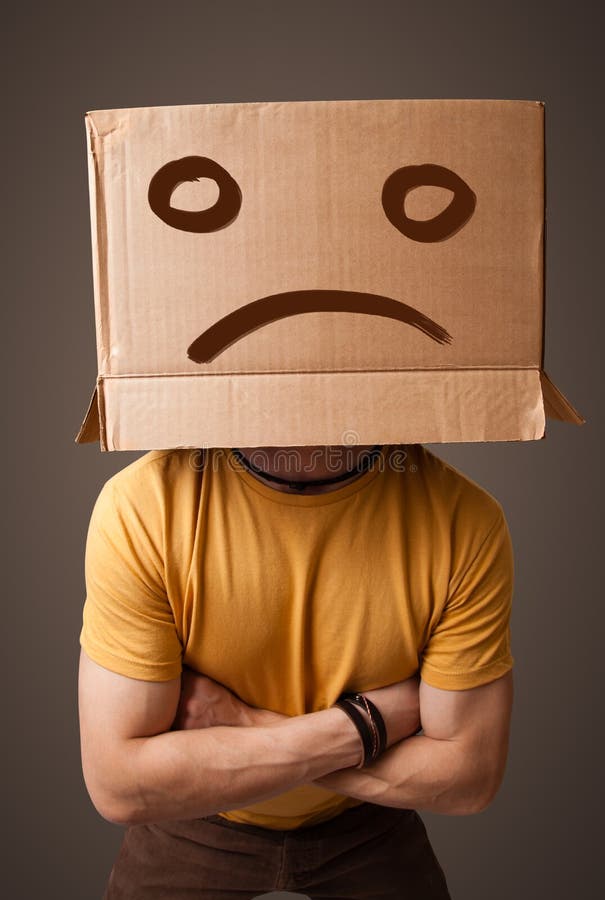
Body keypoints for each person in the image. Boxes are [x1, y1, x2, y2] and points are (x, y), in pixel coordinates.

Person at [78, 442, 514, 899]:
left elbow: (470, 777)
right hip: (194, 816)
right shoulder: (144, 504)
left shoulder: (463, 520)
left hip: (366, 820)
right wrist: (366, 727)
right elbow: (119, 784)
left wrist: (247, 724)